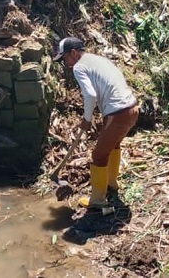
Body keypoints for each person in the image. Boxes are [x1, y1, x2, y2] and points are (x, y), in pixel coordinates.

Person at [54, 37, 139, 209]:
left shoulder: (79, 67)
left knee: (98, 156)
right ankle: (111, 184)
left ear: (73, 53)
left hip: (118, 112)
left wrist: (87, 119)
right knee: (113, 146)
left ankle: (98, 201)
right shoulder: (98, 59)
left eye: (65, 58)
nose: (66, 64)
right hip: (132, 108)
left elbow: (90, 95)